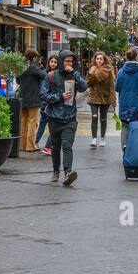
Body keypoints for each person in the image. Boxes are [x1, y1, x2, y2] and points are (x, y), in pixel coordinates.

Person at [40, 50, 86, 186]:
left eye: (71, 61)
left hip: (70, 117)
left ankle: (68, 173)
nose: (69, 63)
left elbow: (84, 87)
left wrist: (75, 73)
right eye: (67, 61)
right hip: (54, 117)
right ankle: (55, 171)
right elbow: (43, 95)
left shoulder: (74, 75)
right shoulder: (50, 76)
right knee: (55, 147)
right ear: (61, 61)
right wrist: (59, 97)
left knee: (67, 145)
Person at [114, 48, 138, 151]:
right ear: (136, 57)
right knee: (136, 125)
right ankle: (133, 148)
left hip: (124, 101)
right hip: (137, 101)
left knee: (124, 125)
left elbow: (117, 88)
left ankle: (124, 145)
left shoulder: (121, 72)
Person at [85, 51, 116, 149]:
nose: (99, 61)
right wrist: (91, 73)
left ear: (104, 60)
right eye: (97, 59)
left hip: (105, 97)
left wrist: (113, 100)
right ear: (95, 60)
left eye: (101, 59)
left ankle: (102, 138)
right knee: (94, 117)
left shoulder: (109, 69)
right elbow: (87, 83)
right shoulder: (92, 69)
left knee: (103, 118)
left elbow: (111, 86)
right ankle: (94, 139)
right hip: (94, 97)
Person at [17, 48, 45, 152]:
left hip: (22, 97)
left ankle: (22, 145)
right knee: (33, 121)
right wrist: (40, 66)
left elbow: (18, 80)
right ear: (34, 57)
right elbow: (44, 75)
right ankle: (30, 146)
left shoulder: (21, 66)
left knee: (23, 121)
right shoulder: (33, 67)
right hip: (33, 98)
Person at [35, 54, 59, 156]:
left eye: (55, 62)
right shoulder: (45, 74)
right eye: (51, 61)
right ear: (49, 63)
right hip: (45, 104)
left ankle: (49, 145)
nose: (53, 64)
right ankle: (35, 142)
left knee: (52, 126)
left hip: (54, 103)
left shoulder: (58, 74)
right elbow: (42, 90)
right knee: (42, 125)